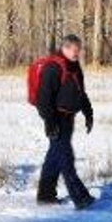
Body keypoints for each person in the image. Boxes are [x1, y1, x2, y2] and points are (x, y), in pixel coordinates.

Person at [33, 34, 96, 210]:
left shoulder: (74, 66)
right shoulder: (53, 67)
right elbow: (43, 99)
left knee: (54, 157)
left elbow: (80, 92)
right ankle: (80, 197)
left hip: (69, 118)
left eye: (79, 51)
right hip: (56, 119)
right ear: (65, 48)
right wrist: (49, 123)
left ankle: (45, 196)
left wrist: (88, 113)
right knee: (66, 158)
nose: (78, 54)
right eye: (75, 51)